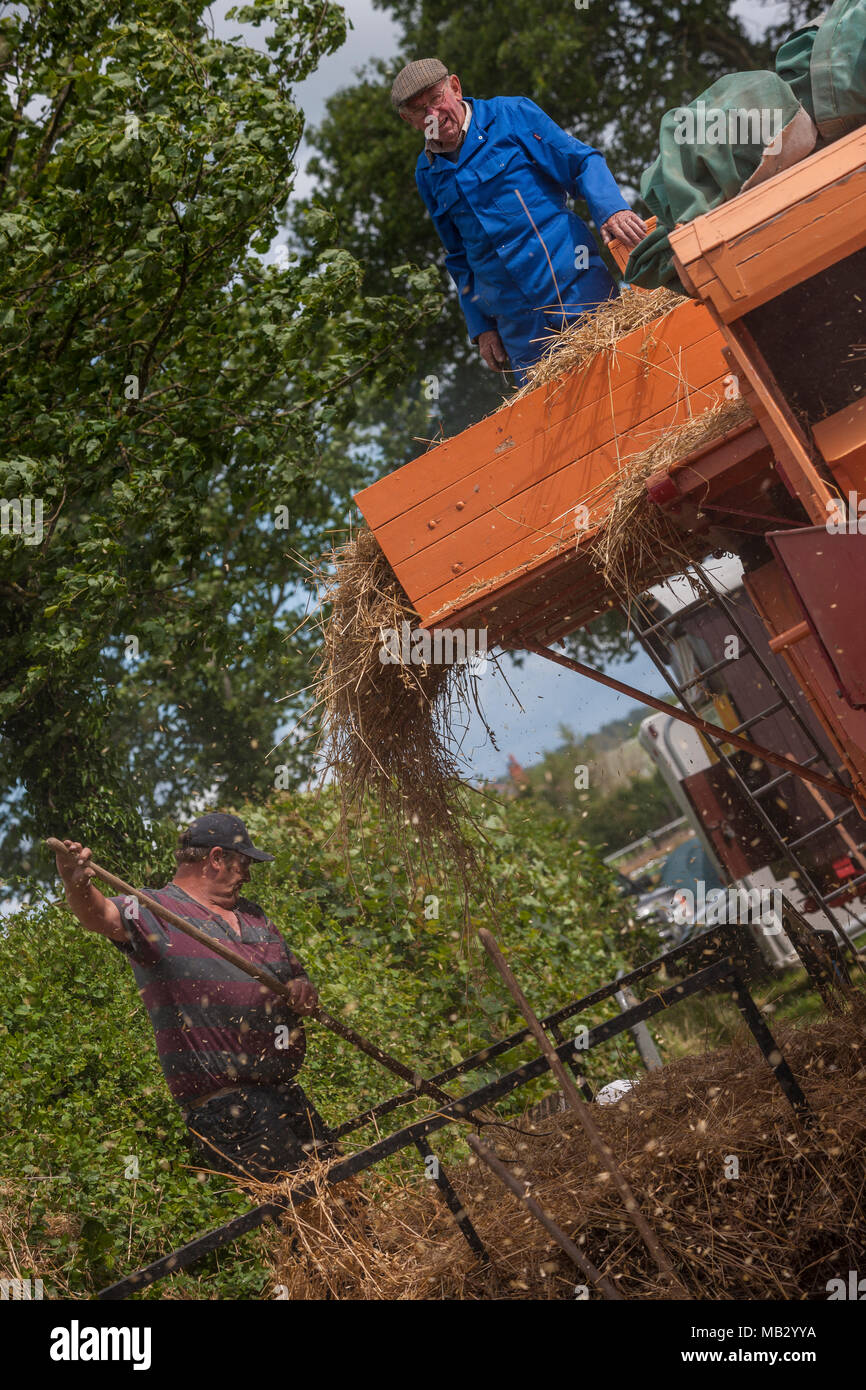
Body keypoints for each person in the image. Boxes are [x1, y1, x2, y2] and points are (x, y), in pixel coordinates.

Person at [54, 812, 333, 1182]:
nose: (247, 875)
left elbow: (294, 973)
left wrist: (302, 987)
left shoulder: (255, 916)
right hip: (231, 1108)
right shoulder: (153, 911)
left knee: (346, 1195)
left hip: (287, 1095)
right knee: (307, 1216)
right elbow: (102, 915)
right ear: (216, 859)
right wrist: (76, 885)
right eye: (243, 864)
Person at [392, 58, 647, 384]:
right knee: (555, 424)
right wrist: (482, 327)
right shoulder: (427, 173)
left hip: (578, 291)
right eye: (419, 110)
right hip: (521, 331)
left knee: (630, 378)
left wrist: (612, 209)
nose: (434, 115)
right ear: (408, 120)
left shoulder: (512, 115)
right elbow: (458, 256)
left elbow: (581, 163)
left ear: (455, 87)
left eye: (436, 99)